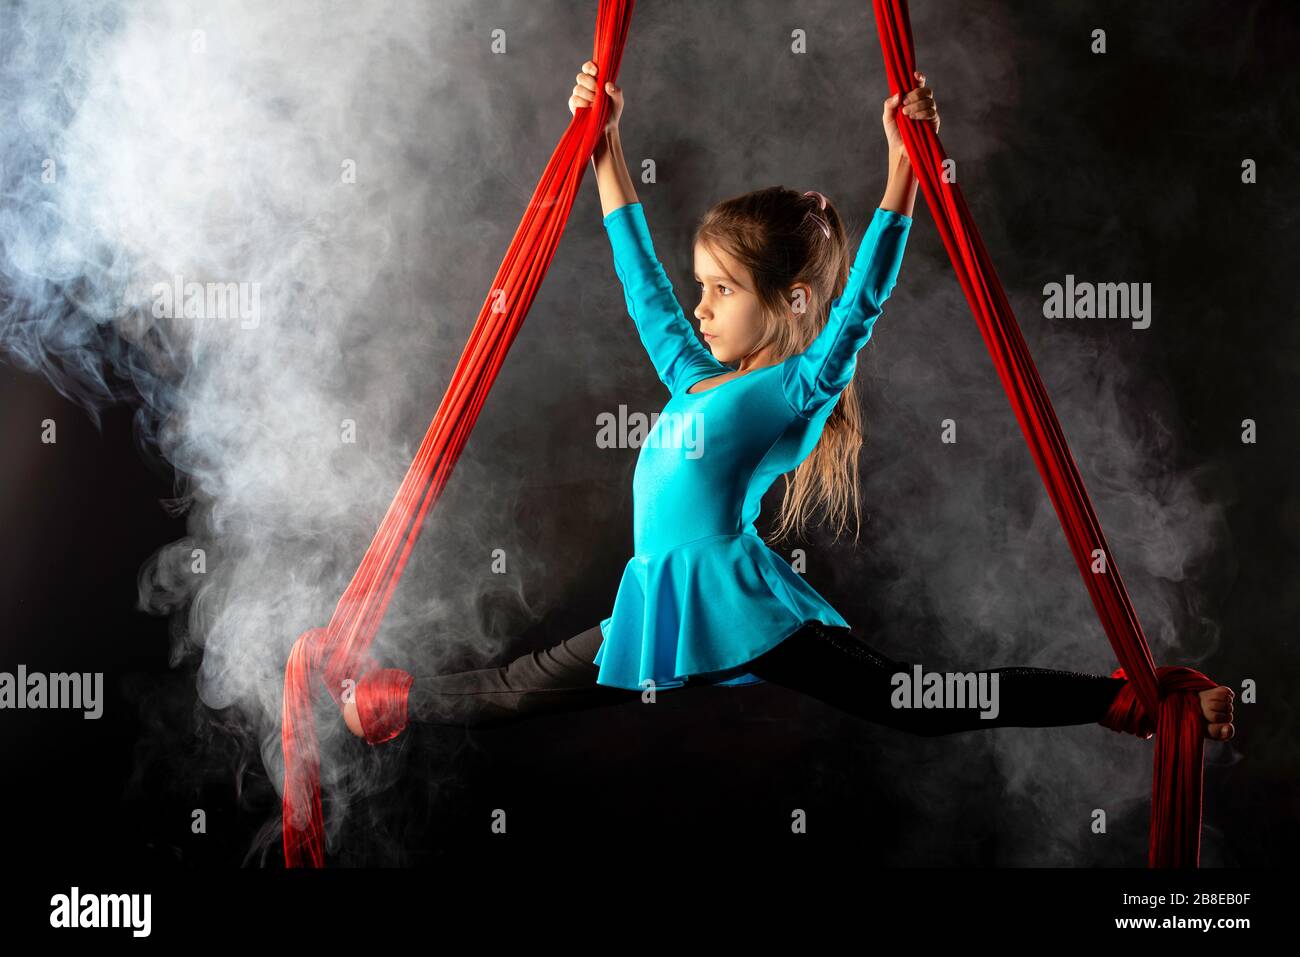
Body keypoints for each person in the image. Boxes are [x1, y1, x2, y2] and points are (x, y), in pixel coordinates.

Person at [340, 61, 1235, 747]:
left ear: (789, 301)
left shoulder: (795, 390)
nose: (700, 307)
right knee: (522, 686)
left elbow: (860, 309)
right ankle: (388, 699)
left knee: (908, 698)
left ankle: (1122, 697)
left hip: (740, 610)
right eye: (705, 288)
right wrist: (604, 143)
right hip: (657, 608)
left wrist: (902, 174)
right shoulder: (694, 376)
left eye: (722, 291)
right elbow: (642, 283)